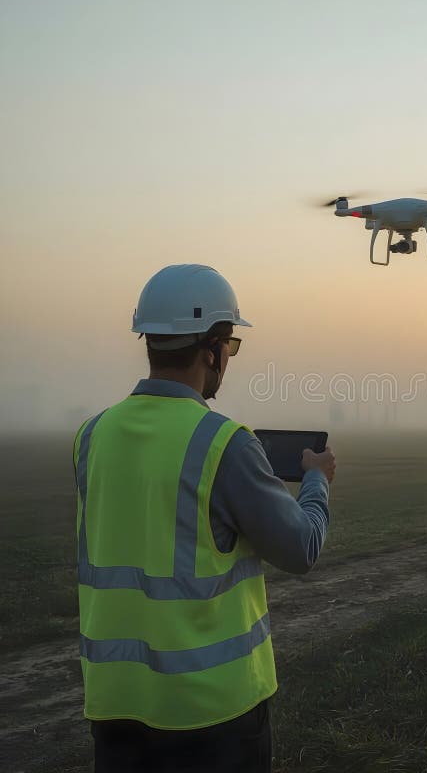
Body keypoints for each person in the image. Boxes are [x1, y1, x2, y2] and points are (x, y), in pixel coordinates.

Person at [73, 263, 335, 773]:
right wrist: (317, 480)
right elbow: (301, 548)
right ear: (212, 348)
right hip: (212, 716)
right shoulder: (225, 442)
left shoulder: (91, 436)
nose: (229, 359)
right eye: (231, 347)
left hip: (115, 704)